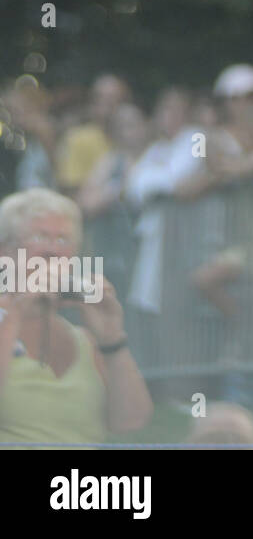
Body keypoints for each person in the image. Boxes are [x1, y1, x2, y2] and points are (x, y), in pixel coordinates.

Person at [0, 188, 153, 445]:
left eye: (63, 241)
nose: (53, 252)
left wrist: (111, 338)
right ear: (5, 252)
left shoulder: (85, 340)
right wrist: (14, 314)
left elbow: (130, 422)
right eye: (40, 237)